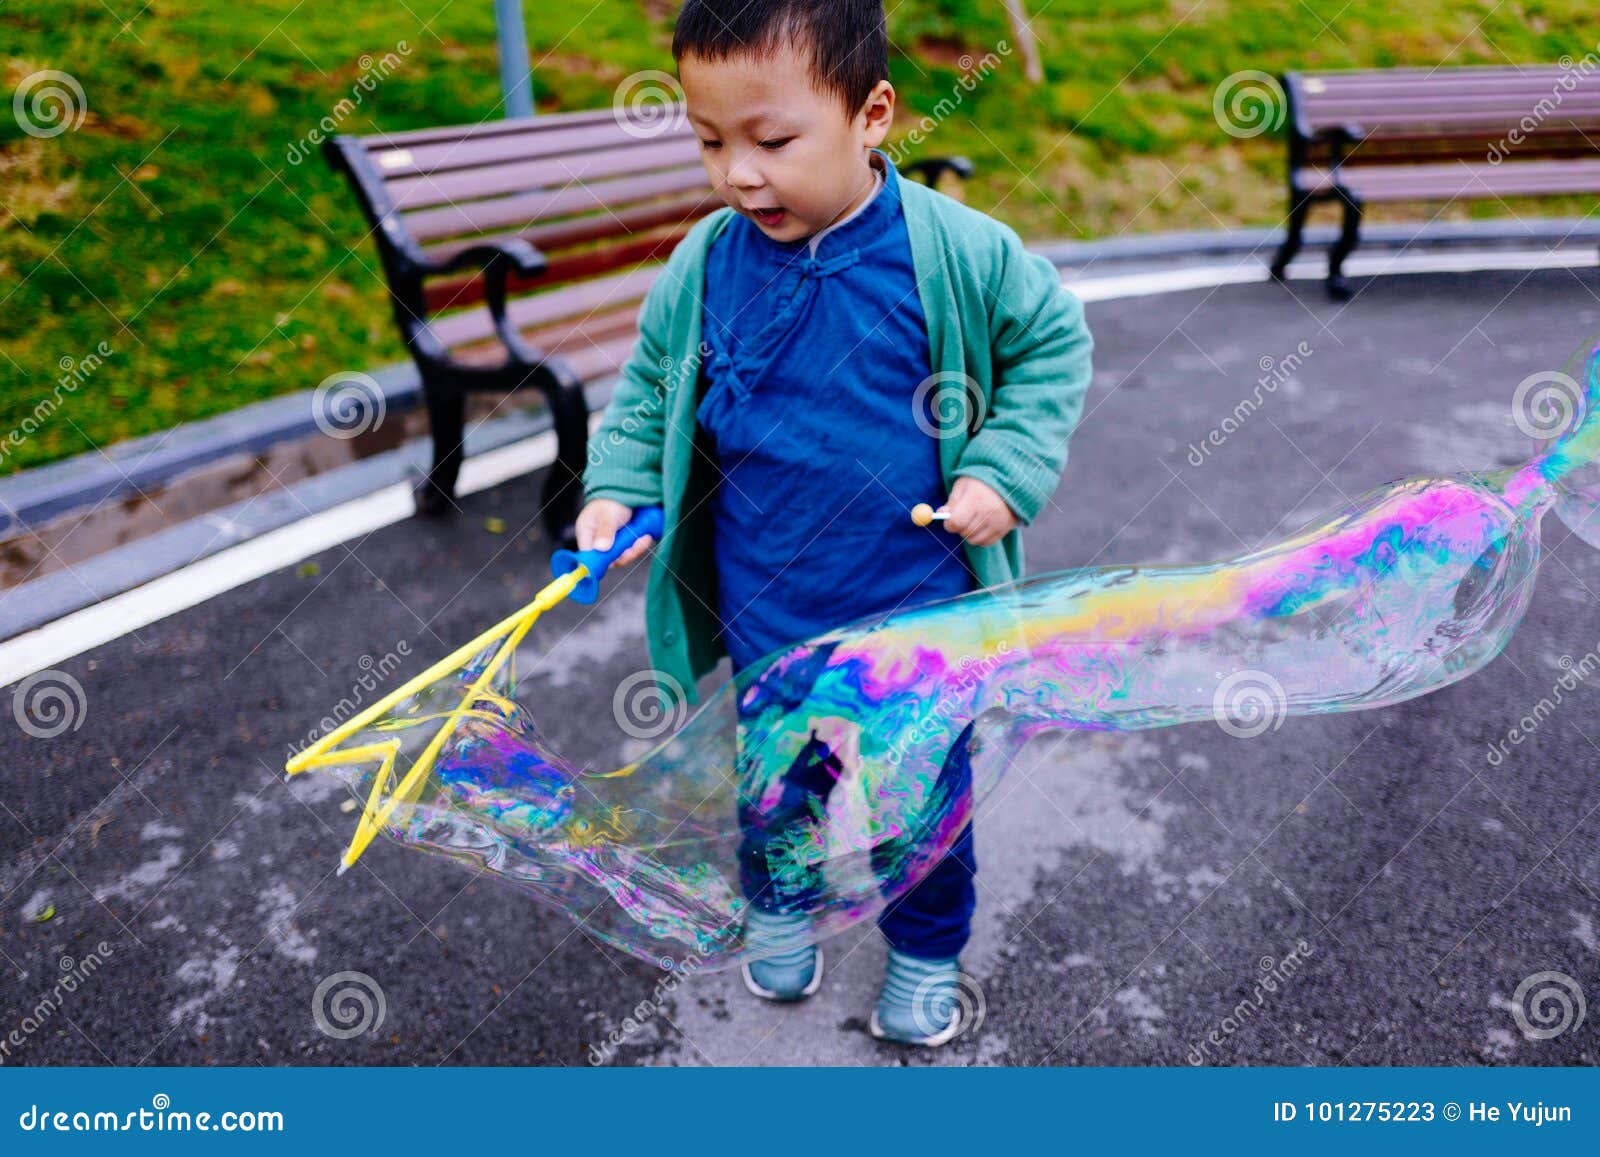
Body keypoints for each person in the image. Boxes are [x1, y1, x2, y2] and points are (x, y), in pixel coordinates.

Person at [576, 0, 1093, 1046]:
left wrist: (1002, 467)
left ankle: (924, 953)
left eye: (771, 141)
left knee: (919, 814)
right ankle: (781, 906)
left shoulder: (955, 250)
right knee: (777, 791)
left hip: (919, 614)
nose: (739, 174)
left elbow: (1052, 345)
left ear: (873, 115)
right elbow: (646, 392)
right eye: (709, 140)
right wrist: (618, 487)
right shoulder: (707, 262)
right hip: (775, 604)